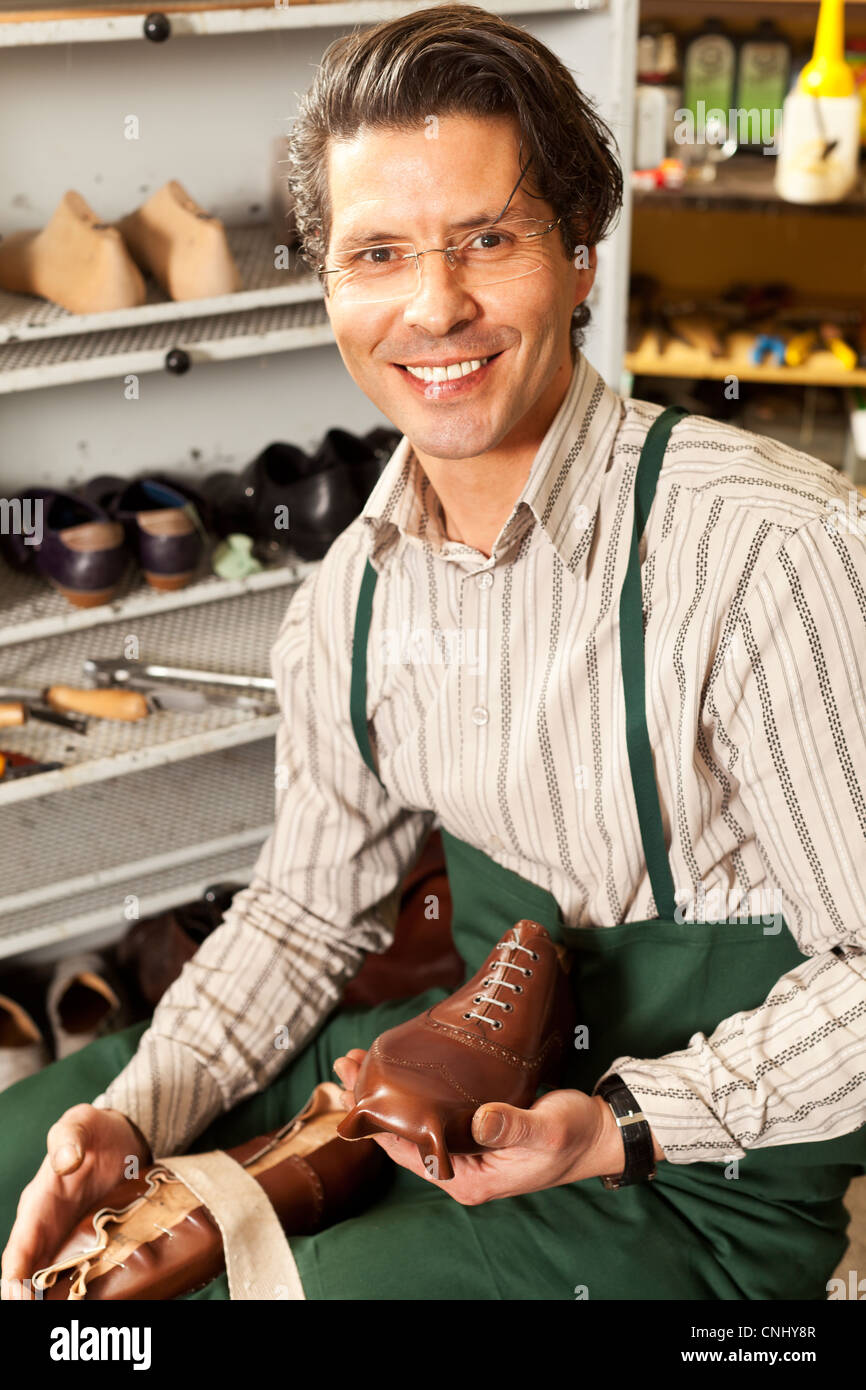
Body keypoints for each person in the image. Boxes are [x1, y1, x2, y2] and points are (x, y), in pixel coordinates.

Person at [3, 3, 865, 1302]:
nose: (433, 305)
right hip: (464, 1060)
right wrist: (142, 1113)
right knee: (30, 1148)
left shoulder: (764, 553)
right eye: (379, 252)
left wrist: (624, 1118)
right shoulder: (353, 589)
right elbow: (300, 910)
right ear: (327, 281)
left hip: (700, 1176)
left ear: (579, 255)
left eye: (487, 240)